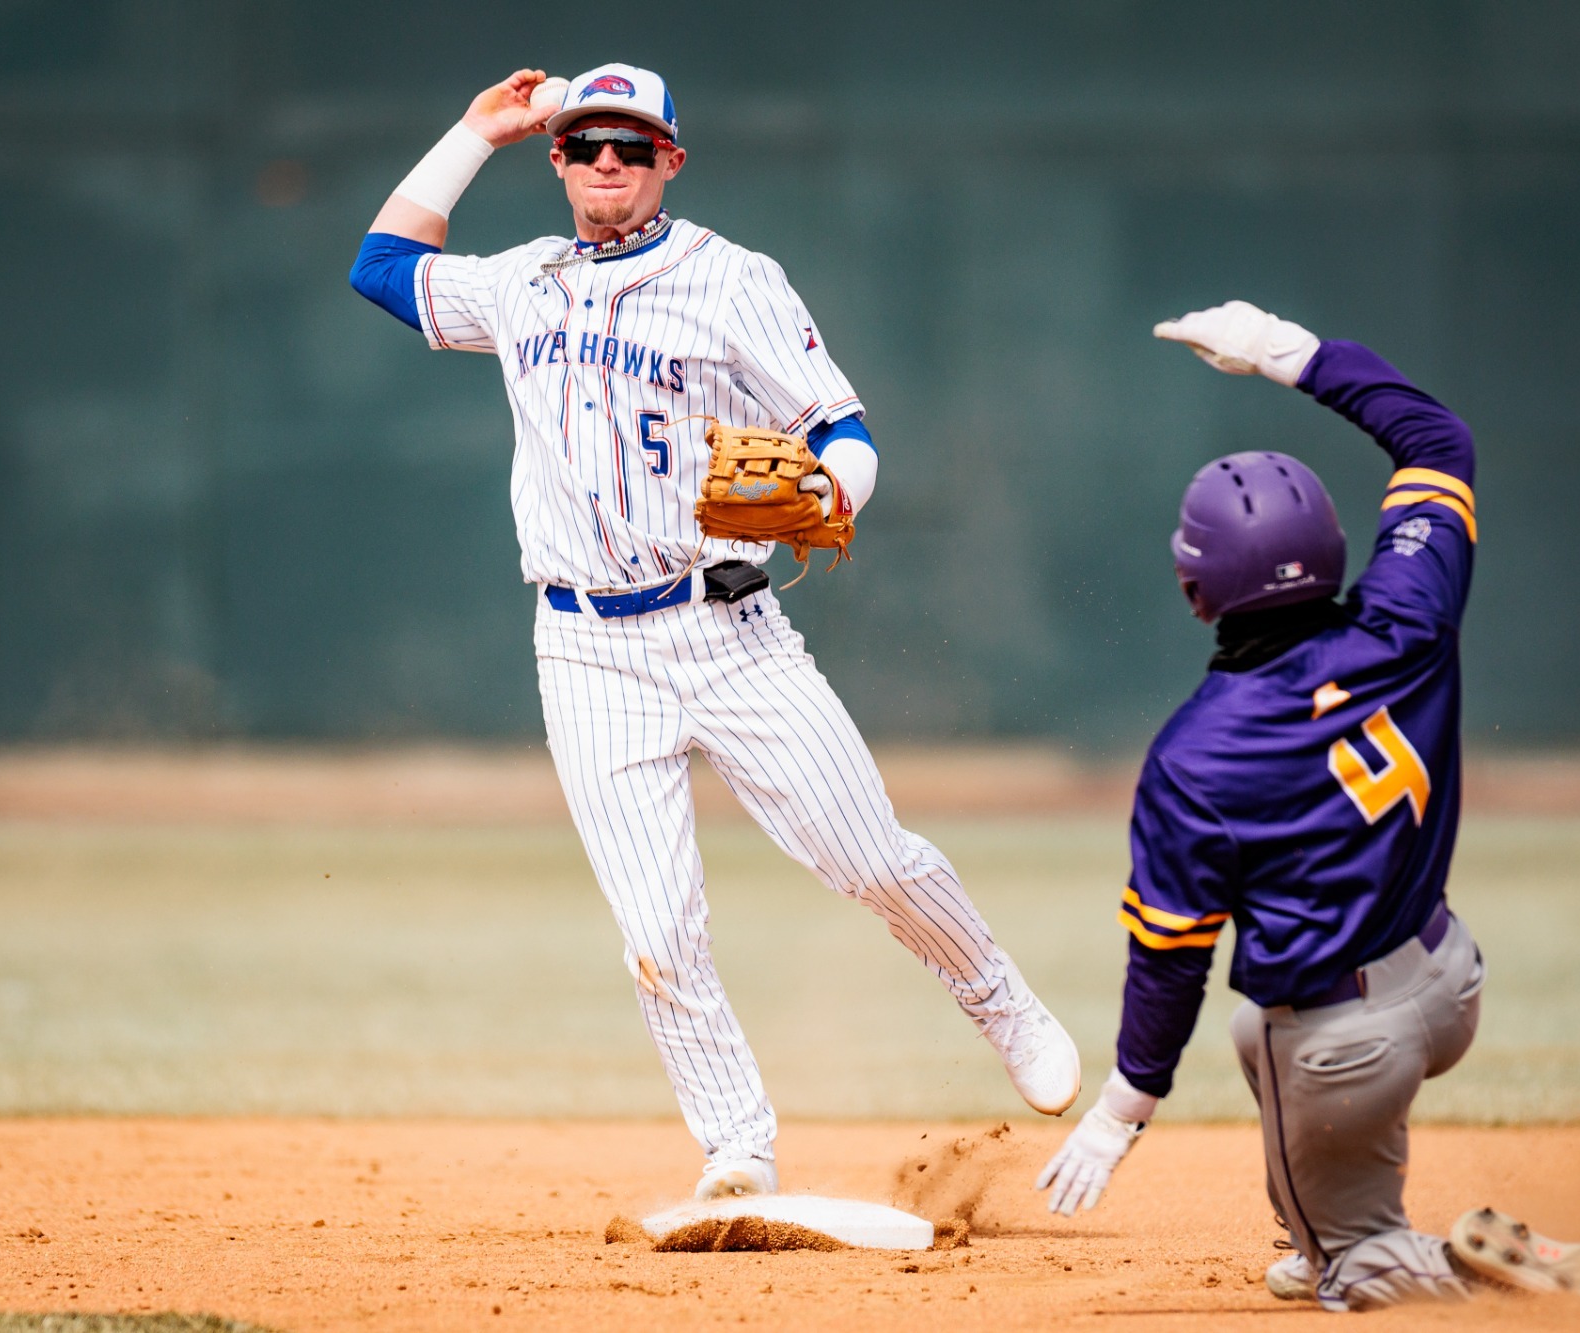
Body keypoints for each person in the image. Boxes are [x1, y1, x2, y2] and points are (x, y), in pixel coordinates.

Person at [348, 63, 1079, 1199]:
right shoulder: (520, 284)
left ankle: (997, 997)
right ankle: (735, 1150)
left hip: (724, 626)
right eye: (586, 141)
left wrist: (836, 495)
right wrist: (471, 133)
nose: (606, 160)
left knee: (867, 857)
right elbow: (378, 267)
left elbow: (841, 427)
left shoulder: (732, 279)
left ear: (668, 164)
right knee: (657, 928)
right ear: (558, 160)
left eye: (631, 146)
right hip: (584, 646)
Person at [1032, 302, 1580, 1309]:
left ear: (1196, 592)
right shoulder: (1408, 610)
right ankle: (1332, 1216)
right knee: (1255, 1035)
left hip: (1341, 1045)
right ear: (1331, 544)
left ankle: (1425, 1258)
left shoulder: (1195, 754)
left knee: (1321, 1168)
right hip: (1447, 980)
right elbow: (1437, 439)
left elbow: (1171, 954)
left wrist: (1122, 1106)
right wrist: (1291, 353)